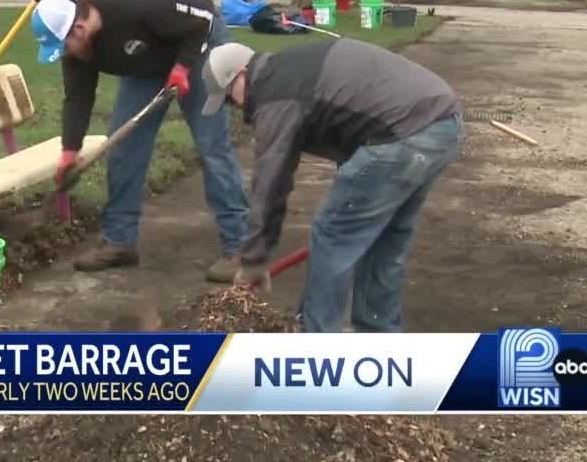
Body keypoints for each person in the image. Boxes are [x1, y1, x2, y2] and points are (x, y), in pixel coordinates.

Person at [198, 38, 463, 333]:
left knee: (332, 234)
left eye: (227, 97)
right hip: (441, 125)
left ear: (241, 75)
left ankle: (317, 343)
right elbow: (353, 119)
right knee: (386, 240)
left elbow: (271, 180)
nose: (233, 107)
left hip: (403, 134)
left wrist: (254, 258)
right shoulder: (292, 68)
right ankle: (377, 337)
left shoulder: (275, 93)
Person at [30, 0, 249, 281]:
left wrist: (182, 66)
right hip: (146, 63)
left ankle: (240, 247)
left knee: (212, 146)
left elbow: (201, 17)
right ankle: (119, 241)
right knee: (124, 147)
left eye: (63, 47)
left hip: (197, 44)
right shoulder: (76, 49)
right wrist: (70, 151)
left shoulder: (133, 3)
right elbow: (78, 98)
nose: (64, 54)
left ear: (78, 29)